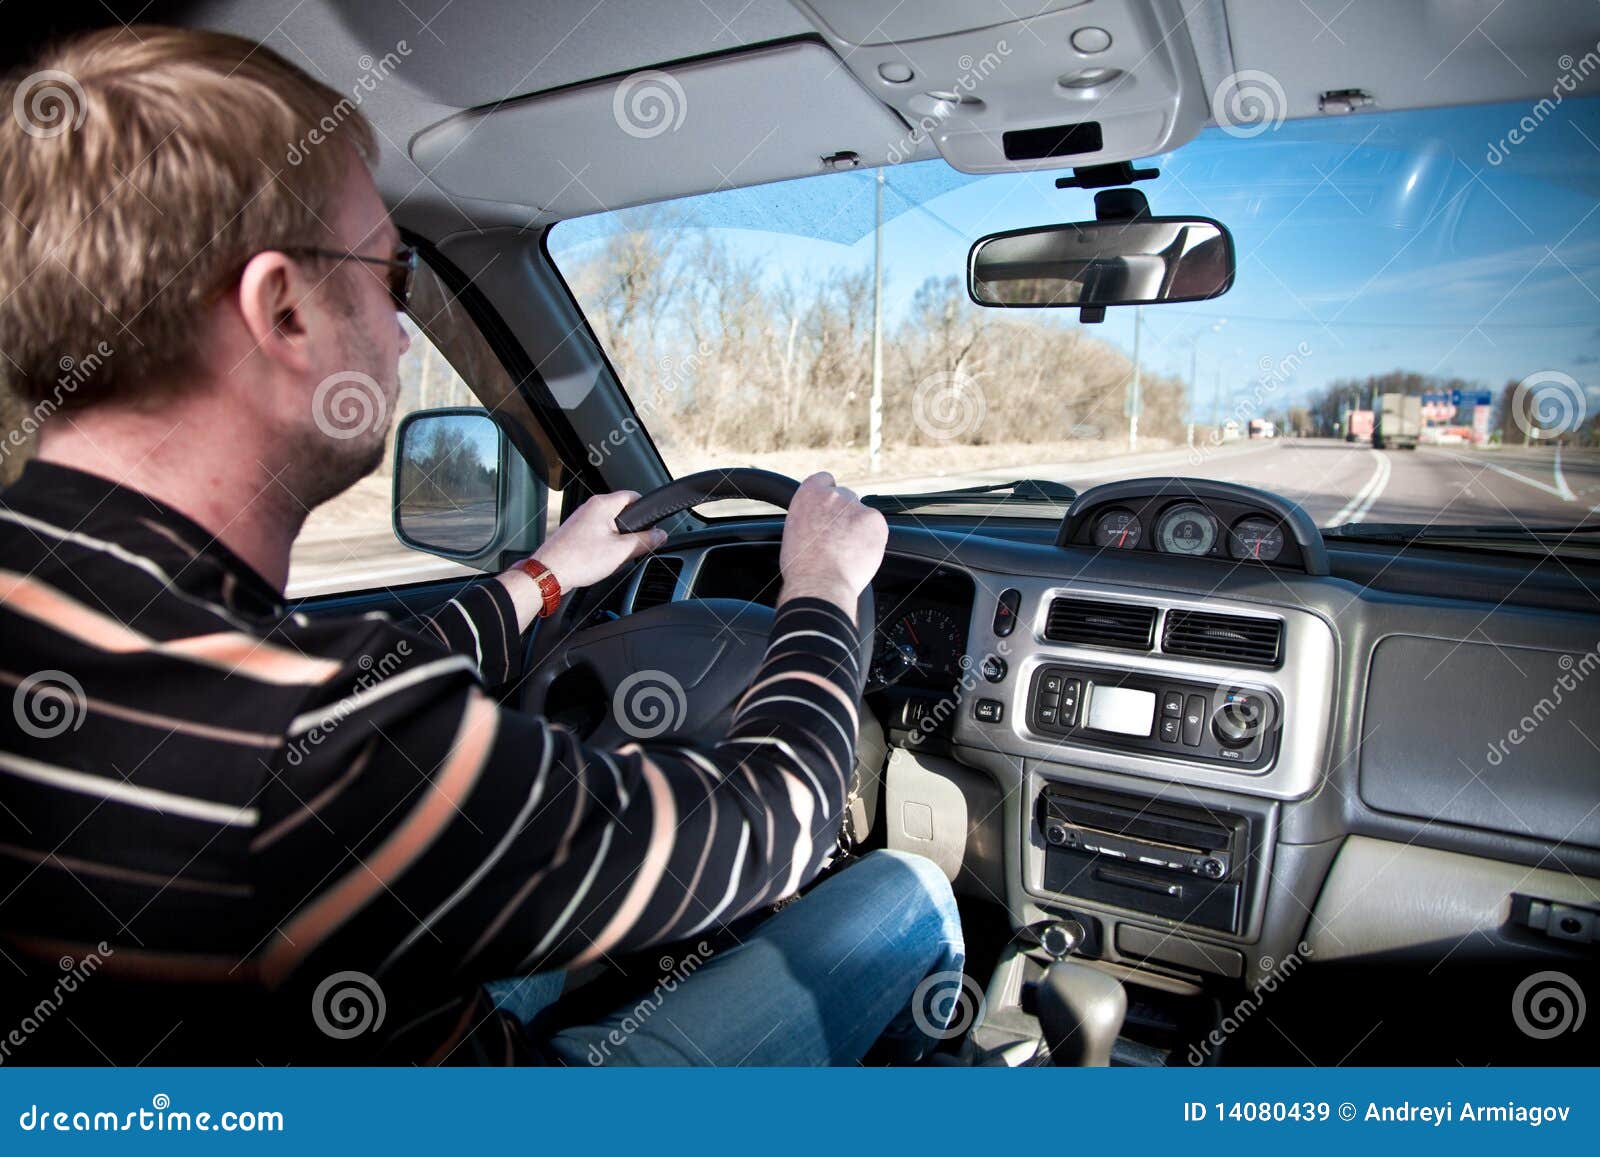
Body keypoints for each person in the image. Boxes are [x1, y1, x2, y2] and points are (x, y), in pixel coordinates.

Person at [0, 25, 962, 1065]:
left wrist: (547, 577)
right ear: (282, 307)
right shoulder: (315, 753)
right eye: (392, 273)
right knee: (908, 895)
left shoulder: (94, 613)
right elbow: (776, 819)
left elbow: (352, 701)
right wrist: (820, 587)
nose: (403, 330)